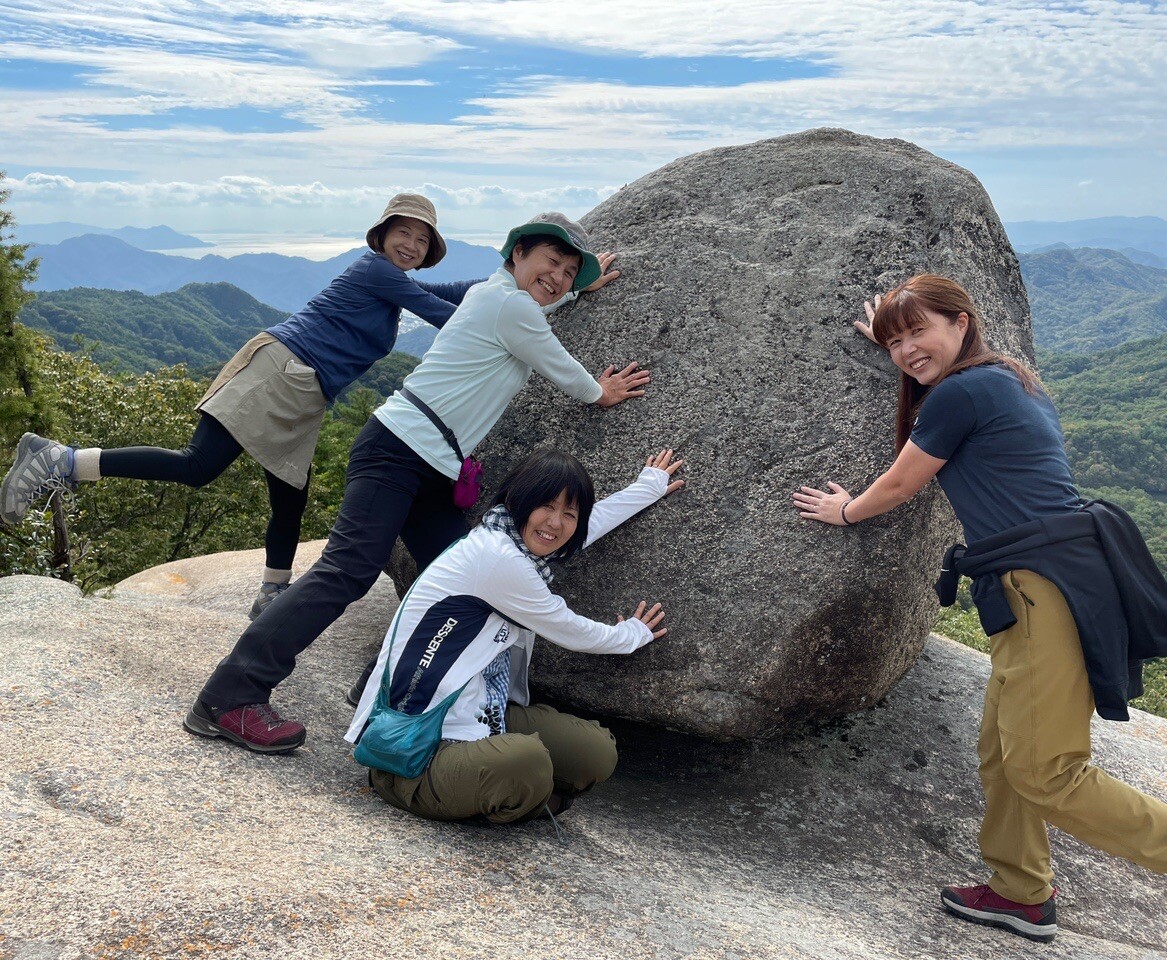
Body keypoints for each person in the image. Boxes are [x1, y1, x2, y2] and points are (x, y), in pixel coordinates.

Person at [791, 274, 1167, 948]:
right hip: (1036, 583)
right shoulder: (1000, 378)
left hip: (1044, 585)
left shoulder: (962, 392)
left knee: (1046, 770)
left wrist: (844, 510)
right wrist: (896, 339)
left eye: (919, 332)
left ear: (962, 324)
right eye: (894, 340)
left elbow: (902, 481)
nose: (905, 350)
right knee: (1002, 752)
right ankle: (1020, 890)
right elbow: (943, 390)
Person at [183, 211, 646, 755]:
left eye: (571, 271)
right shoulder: (510, 304)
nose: (560, 276)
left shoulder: (498, 298)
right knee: (347, 572)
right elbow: (558, 364)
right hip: (400, 450)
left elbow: (530, 314)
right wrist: (599, 391)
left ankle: (385, 687)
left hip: (428, 462)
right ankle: (228, 696)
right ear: (518, 254)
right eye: (553, 262)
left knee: (459, 573)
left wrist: (569, 295)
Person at [0, 194, 494, 619]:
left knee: (289, 496)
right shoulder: (374, 270)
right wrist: (506, 324)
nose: (411, 244)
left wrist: (513, 285)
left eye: (422, 240)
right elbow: (447, 316)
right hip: (278, 369)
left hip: (306, 393)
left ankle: (272, 592)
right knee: (198, 466)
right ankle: (61, 460)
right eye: (403, 232)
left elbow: (449, 293)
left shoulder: (391, 282)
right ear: (383, 234)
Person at [349, 446, 683, 826]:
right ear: (517, 502)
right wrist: (631, 634)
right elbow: (570, 629)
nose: (555, 523)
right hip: (408, 746)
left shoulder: (517, 545)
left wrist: (648, 487)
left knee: (595, 752)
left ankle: (514, 790)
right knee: (526, 761)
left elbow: (583, 527)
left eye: (568, 512)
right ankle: (502, 795)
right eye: (546, 506)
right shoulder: (497, 558)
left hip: (484, 714)